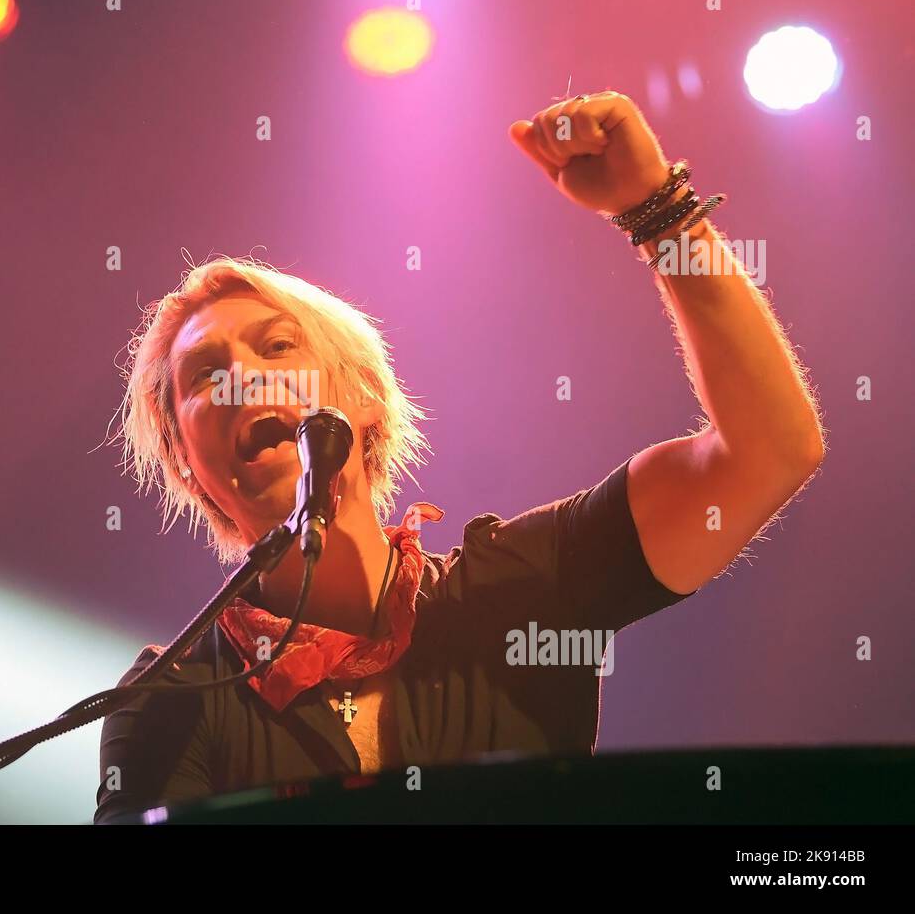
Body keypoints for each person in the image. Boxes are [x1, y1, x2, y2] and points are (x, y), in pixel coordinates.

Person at [93, 92, 825, 824]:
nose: (242, 379)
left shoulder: (521, 590)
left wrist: (659, 212)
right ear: (186, 461)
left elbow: (768, 450)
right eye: (202, 378)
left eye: (278, 345)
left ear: (367, 400)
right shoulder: (171, 699)